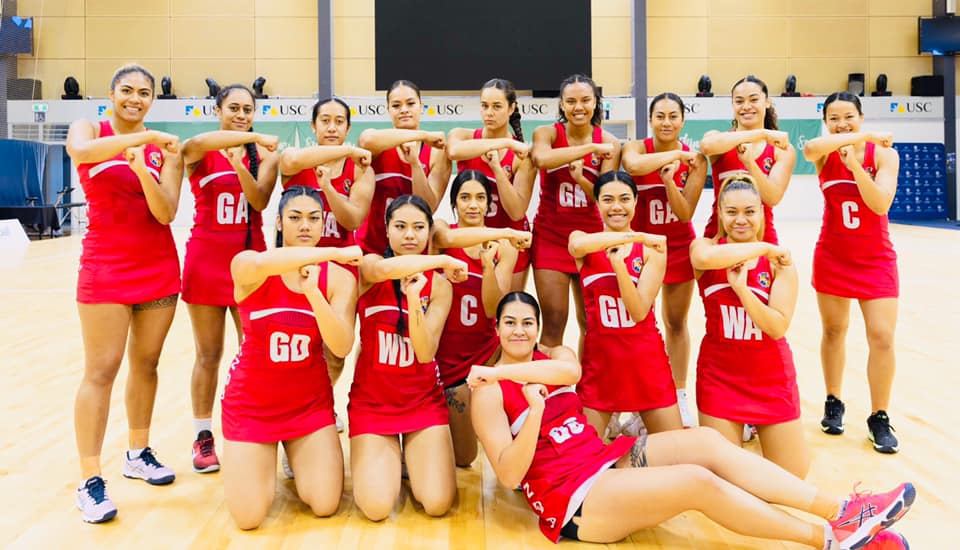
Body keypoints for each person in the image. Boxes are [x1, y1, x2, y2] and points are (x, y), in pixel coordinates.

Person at [469, 291, 915, 548]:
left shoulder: (554, 357)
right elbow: (508, 475)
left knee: (703, 441)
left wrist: (500, 368)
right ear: (497, 327)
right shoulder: (488, 397)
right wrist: (534, 412)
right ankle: (829, 540)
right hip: (576, 502)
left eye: (528, 322)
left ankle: (844, 511)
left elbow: (570, 372)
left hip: (604, 462)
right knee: (696, 482)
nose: (520, 331)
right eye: (510, 323)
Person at [67, 64, 184, 523]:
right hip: (105, 267)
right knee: (101, 370)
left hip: (157, 266)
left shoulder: (164, 150)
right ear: (111, 93)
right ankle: (90, 480)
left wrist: (145, 168)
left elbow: (166, 212)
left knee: (147, 363)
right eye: (127, 90)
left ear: (153, 98)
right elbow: (81, 151)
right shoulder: (90, 128)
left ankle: (138, 452)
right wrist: (139, 141)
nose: (135, 98)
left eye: (144, 93)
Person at [221, 186, 360, 529]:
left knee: (325, 504)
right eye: (295, 218)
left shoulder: (338, 278)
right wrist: (328, 254)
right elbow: (264, 261)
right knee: (249, 519)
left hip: (308, 407)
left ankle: (295, 453)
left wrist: (314, 292)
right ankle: (266, 455)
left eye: (314, 218)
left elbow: (341, 347)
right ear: (280, 222)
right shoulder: (249, 265)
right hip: (251, 406)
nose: (305, 226)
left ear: (324, 223)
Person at [349, 194, 469, 521]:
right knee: (375, 509)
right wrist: (441, 261)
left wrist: (415, 299)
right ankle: (393, 457)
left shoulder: (440, 286)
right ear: (386, 231)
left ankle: (408, 457)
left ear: (429, 233)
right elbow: (388, 268)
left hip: (421, 402)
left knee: (437, 504)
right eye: (400, 226)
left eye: (418, 227)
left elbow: (425, 351)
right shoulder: (370, 268)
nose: (409, 235)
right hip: (373, 405)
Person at [180, 84, 279, 473]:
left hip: (250, 263)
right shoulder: (201, 152)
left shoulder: (266, 156)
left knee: (254, 349)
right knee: (208, 354)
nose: (241, 114)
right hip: (206, 261)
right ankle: (203, 436)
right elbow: (194, 144)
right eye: (233, 108)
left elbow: (259, 201)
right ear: (218, 109)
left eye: (248, 110)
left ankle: (256, 423)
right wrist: (248, 136)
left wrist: (241, 160)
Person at [802, 92, 902, 454]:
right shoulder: (825, 154)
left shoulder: (885, 155)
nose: (842, 123)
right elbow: (811, 147)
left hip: (876, 259)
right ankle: (833, 400)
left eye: (849, 117)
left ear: (861, 116)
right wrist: (860, 138)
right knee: (833, 330)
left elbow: (880, 203)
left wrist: (859, 166)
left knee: (882, 337)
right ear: (826, 121)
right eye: (834, 118)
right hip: (833, 256)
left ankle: (879, 416)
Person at [689, 175, 808, 478]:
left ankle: (758, 432)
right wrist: (764, 247)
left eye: (750, 211)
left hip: (770, 377)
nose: (740, 220)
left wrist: (742, 290)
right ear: (719, 213)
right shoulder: (705, 249)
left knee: (792, 479)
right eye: (731, 212)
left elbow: (777, 327)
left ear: (761, 212)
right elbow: (703, 257)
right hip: (720, 378)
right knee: (728, 481)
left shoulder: (779, 264)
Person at [279, 97, 375, 433]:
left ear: (348, 128)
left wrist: (328, 188)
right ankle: (297, 412)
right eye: (325, 121)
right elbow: (289, 158)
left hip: (341, 267)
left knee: (336, 351)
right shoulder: (297, 160)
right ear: (313, 127)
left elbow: (353, 218)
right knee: (299, 346)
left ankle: (319, 405)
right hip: (296, 267)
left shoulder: (361, 170)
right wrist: (346, 151)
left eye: (339, 122)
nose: (332, 127)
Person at [568, 170, 683, 437]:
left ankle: (635, 428)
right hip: (601, 368)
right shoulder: (582, 240)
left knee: (677, 455)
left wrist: (619, 265)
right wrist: (636, 237)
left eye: (624, 199)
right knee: (584, 459)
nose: (616, 207)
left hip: (646, 364)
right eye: (607, 199)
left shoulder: (652, 252)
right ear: (596, 204)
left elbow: (639, 310)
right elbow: (576, 247)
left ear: (635, 202)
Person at [433, 170, 529, 466]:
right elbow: (448, 236)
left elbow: (492, 308)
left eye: (479, 198)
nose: (472, 205)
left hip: (484, 355)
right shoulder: (441, 232)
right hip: (446, 356)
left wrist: (488, 266)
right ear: (453, 203)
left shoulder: (505, 248)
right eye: (464, 198)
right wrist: (500, 234)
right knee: (464, 458)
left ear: (489, 205)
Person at [621, 92, 707, 427]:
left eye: (673, 116)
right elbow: (633, 166)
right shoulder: (637, 148)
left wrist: (671, 179)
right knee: (637, 323)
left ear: (683, 120)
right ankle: (635, 396)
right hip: (640, 250)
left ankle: (679, 394)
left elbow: (685, 212)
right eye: (660, 116)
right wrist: (671, 161)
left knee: (675, 322)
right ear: (651, 119)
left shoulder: (696, 161)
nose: (666, 122)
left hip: (678, 247)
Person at [530, 74, 621, 348]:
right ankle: (550, 388)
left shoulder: (610, 143)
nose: (578, 107)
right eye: (570, 101)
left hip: (590, 238)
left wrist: (582, 178)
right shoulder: (547, 133)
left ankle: (587, 388)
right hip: (550, 237)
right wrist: (589, 148)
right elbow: (541, 159)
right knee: (554, 320)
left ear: (595, 103)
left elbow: (605, 197)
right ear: (562, 104)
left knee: (591, 322)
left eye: (585, 100)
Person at [447, 78, 536, 291]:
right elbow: (453, 151)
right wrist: (505, 142)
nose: (489, 112)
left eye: (497, 106)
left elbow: (516, 211)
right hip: (471, 236)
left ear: (511, 108)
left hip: (511, 238)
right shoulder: (462, 136)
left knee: (507, 310)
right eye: (484, 106)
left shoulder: (521, 155)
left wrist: (497, 167)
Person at [355, 80, 452, 254]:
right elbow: (365, 140)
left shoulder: (436, 152)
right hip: (372, 246)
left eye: (410, 103)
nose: (404, 110)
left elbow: (428, 206)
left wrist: (415, 164)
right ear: (388, 109)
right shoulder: (379, 144)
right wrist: (423, 135)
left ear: (421, 107)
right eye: (396, 105)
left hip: (413, 247)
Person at [700, 75, 796, 244]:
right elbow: (707, 146)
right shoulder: (718, 139)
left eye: (753, 99)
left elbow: (772, 198)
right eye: (739, 101)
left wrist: (750, 164)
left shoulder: (781, 150)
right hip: (719, 238)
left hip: (762, 240)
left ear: (767, 102)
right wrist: (762, 133)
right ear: (732, 105)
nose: (746, 106)